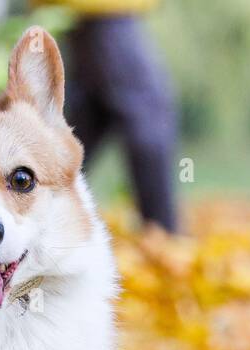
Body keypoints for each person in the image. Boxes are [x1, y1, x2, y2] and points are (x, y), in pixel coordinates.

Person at [46, 0, 179, 232]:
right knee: (147, 111)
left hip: (93, 11)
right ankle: (162, 236)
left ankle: (36, 217)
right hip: (104, 10)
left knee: (89, 119)